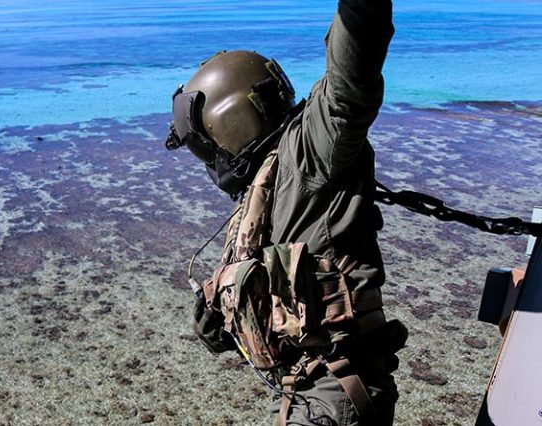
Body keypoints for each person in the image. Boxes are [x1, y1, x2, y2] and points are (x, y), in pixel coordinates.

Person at [164, 0, 407, 425]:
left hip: (337, 391)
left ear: (232, 123)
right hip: (311, 394)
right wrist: (218, 326)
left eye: (209, 147)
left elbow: (349, 87)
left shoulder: (308, 152)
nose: (212, 162)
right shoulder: (265, 190)